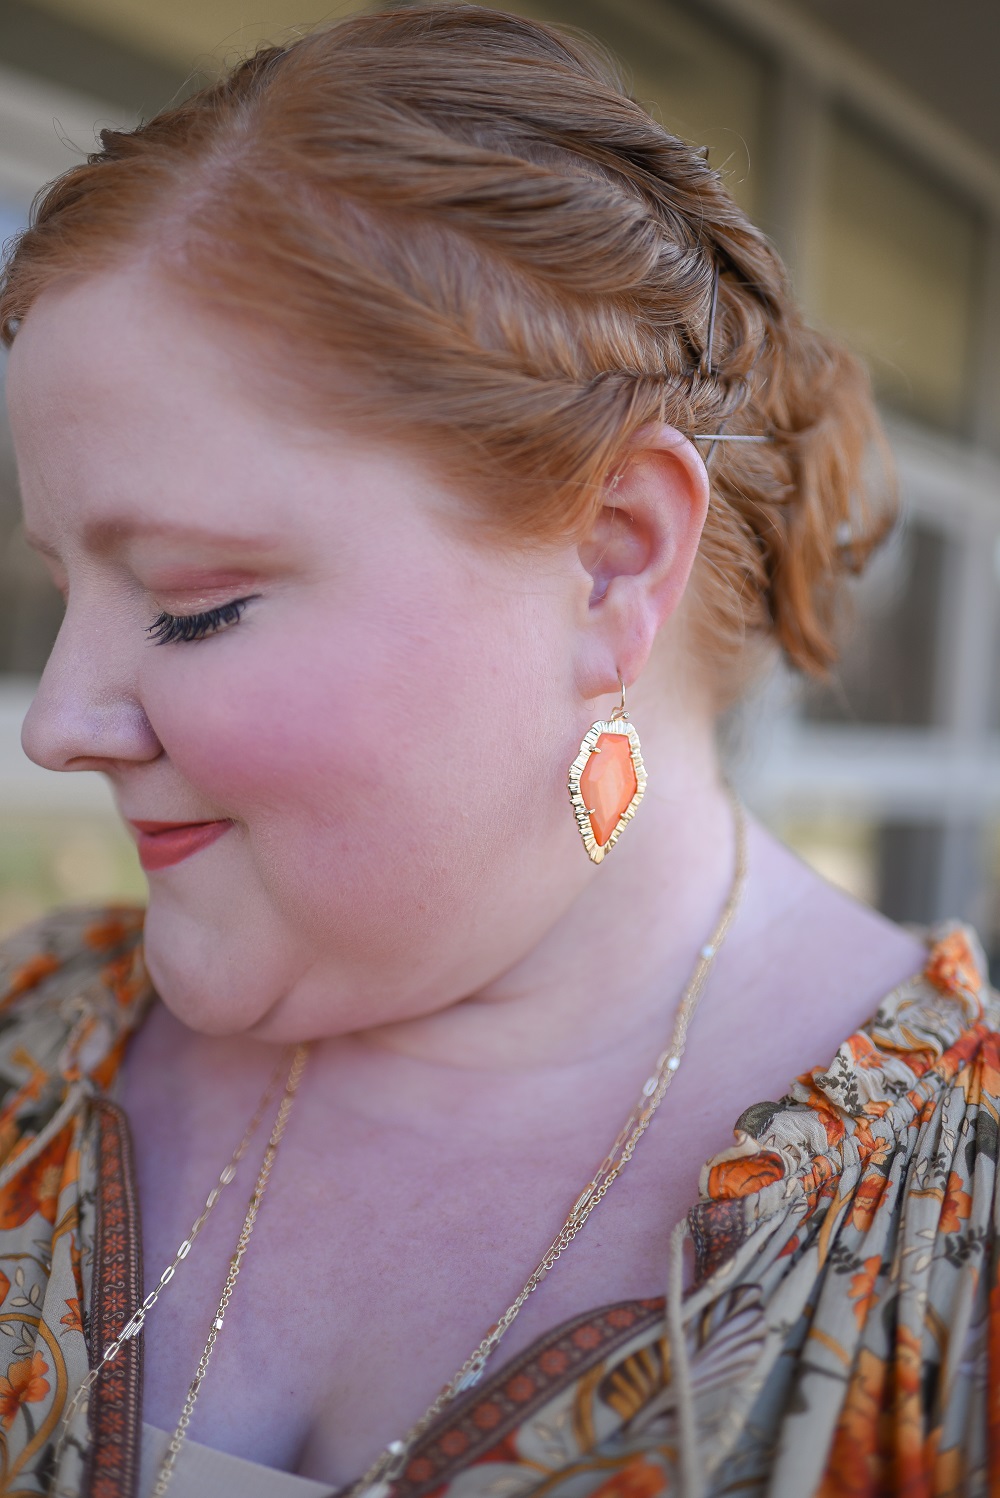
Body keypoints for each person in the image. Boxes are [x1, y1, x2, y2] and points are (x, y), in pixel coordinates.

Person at [0, 6, 994, 1496]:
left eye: (195, 604)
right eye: (65, 588)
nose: (58, 721)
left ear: (610, 561)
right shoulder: (28, 1041)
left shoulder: (954, 1247)